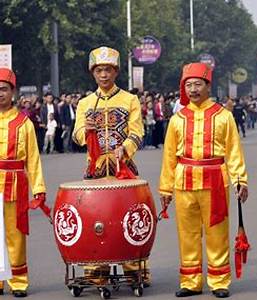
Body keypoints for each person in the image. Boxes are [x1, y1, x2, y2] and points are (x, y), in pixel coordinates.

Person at [159, 62, 248, 298]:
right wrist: (165, 188)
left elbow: (233, 151)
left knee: (216, 232)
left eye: (198, 84)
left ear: (208, 86)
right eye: (188, 85)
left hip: (215, 180)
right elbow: (169, 155)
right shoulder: (177, 119)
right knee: (187, 234)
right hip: (183, 181)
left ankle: (219, 281)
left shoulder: (224, 116)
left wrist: (240, 180)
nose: (193, 89)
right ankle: (191, 281)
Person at [71, 46, 148, 284]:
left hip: (123, 169)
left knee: (127, 218)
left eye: (108, 70)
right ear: (93, 73)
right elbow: (76, 135)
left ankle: (134, 268)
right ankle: (96, 270)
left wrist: (124, 148)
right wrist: (87, 131)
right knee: (95, 218)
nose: (103, 75)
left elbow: (138, 131)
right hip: (95, 171)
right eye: (99, 70)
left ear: (116, 72)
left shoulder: (129, 99)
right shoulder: (85, 103)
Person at [0, 68, 48, 297]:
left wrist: (38, 188)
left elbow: (33, 159)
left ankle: (18, 280)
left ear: (13, 92)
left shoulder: (24, 123)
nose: (0, 93)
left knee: (15, 234)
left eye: (4, 89)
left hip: (15, 184)